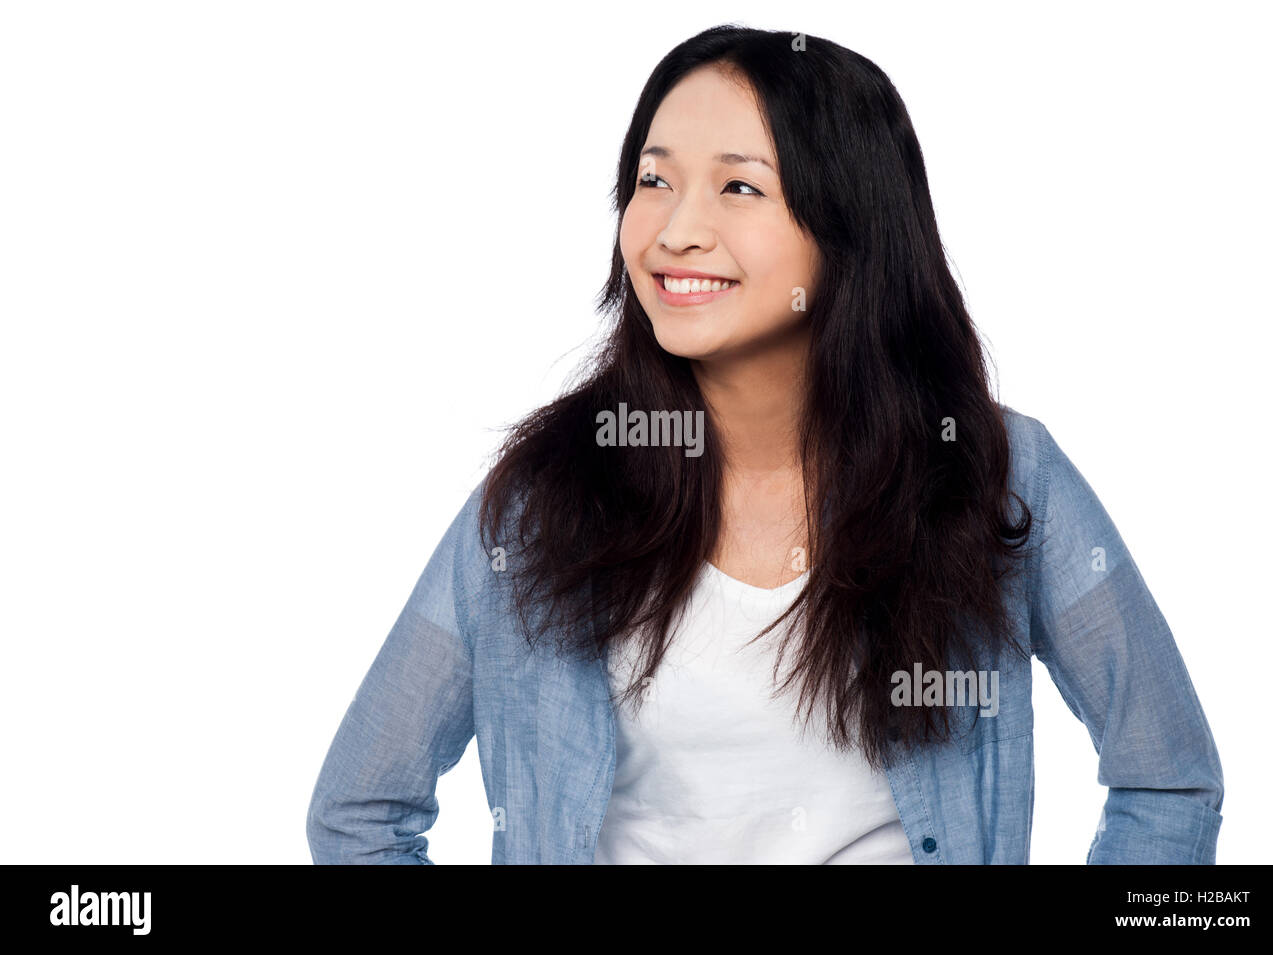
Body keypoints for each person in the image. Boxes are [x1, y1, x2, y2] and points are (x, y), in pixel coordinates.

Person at [305, 24, 1223, 865]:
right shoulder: (542, 501)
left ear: (851, 229)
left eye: (738, 186)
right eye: (653, 179)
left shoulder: (996, 473)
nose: (675, 230)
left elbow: (1168, 778)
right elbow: (359, 812)